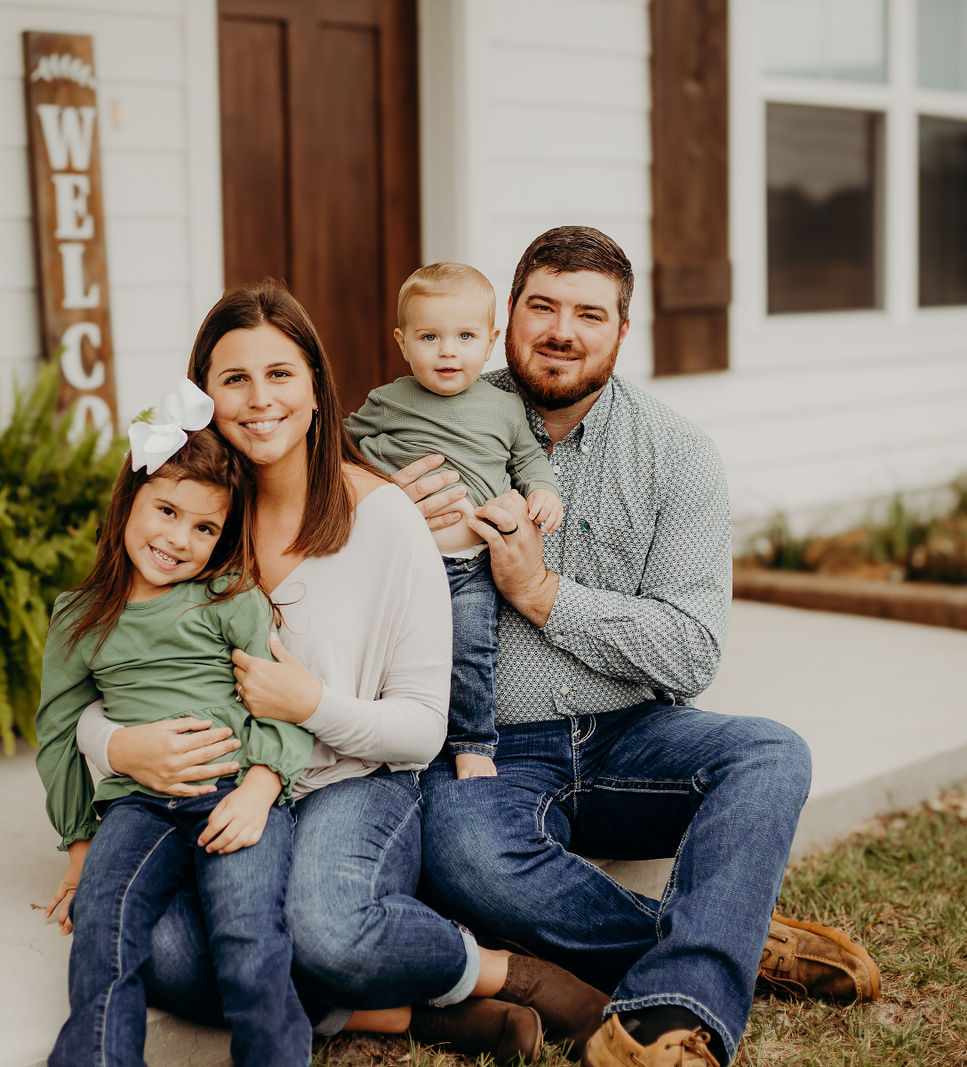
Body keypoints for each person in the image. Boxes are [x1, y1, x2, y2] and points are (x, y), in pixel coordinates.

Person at [51, 279, 610, 1064]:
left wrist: (312, 702)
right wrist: (118, 748)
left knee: (324, 925)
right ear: (204, 397)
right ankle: (403, 1014)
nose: (259, 399)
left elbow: (421, 729)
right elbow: (100, 669)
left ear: (317, 386)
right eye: (233, 378)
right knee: (173, 954)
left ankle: (503, 972)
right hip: (226, 790)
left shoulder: (383, 517)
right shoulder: (192, 515)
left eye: (280, 374)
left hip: (357, 780)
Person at [405, 226, 881, 1067]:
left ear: (623, 332)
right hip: (493, 748)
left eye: (590, 313)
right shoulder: (421, 424)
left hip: (632, 735)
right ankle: (719, 950)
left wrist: (543, 595)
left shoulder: (679, 454)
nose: (562, 330)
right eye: (542, 305)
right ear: (506, 314)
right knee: (461, 850)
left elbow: (693, 650)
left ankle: (697, 960)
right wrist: (386, 515)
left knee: (772, 752)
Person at [36, 406, 313, 1067]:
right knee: (104, 924)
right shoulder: (80, 618)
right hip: (139, 802)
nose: (179, 537)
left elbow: (279, 703)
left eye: (204, 526)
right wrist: (79, 848)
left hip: (233, 796)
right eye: (165, 510)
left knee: (248, 935)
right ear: (131, 496)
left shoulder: (230, 598)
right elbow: (56, 734)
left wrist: (259, 788)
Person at [345, 262, 564, 781]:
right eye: (429, 336)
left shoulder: (505, 408)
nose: (448, 350)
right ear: (402, 342)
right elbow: (340, 452)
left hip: (470, 566)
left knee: (470, 653)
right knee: (389, 654)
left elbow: (529, 460)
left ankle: (471, 744)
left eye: (465, 336)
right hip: (399, 564)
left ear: (490, 341)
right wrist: (375, 483)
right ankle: (389, 747)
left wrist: (544, 491)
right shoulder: (387, 402)